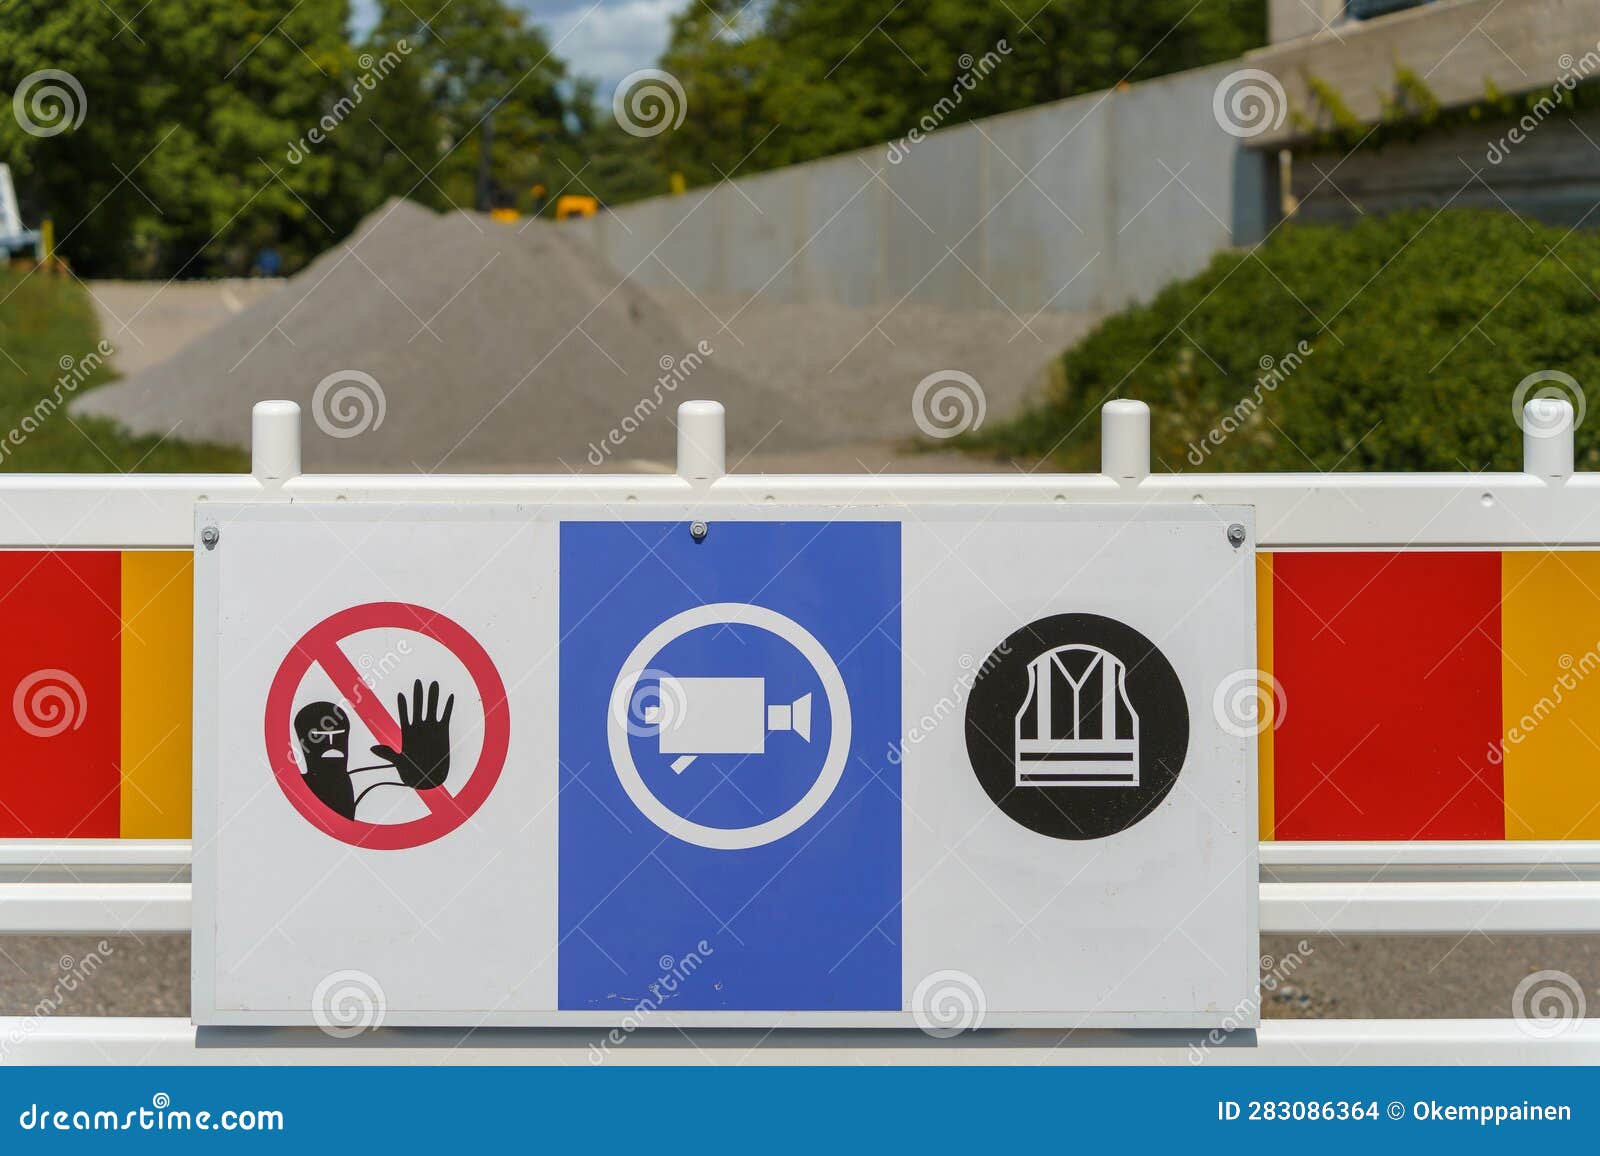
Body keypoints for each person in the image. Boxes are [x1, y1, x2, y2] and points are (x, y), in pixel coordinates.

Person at [293, 680, 455, 821]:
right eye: (318, 736)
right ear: (302, 741)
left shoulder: (354, 780)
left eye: (338, 736)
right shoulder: (293, 790)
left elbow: (411, 776)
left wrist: (426, 773)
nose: (331, 745)